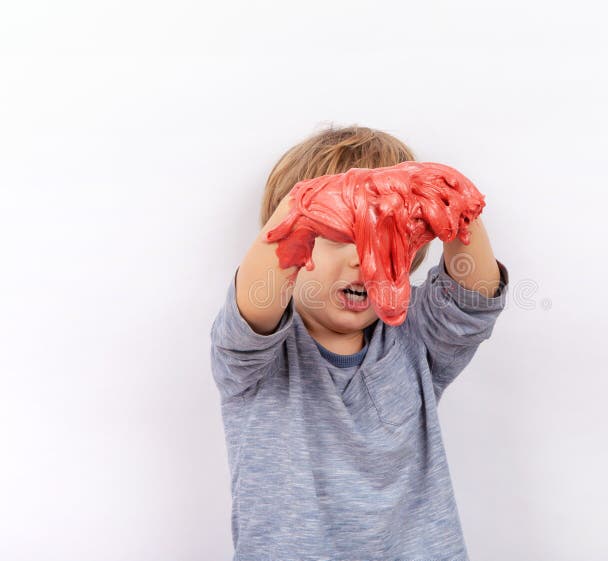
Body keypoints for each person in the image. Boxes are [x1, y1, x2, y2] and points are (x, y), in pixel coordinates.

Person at [209, 124, 510, 560]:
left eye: (387, 240)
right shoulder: (255, 359)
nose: (360, 257)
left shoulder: (416, 338)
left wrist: (455, 203)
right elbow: (258, 291)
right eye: (336, 234)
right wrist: (307, 206)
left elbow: (473, 299)